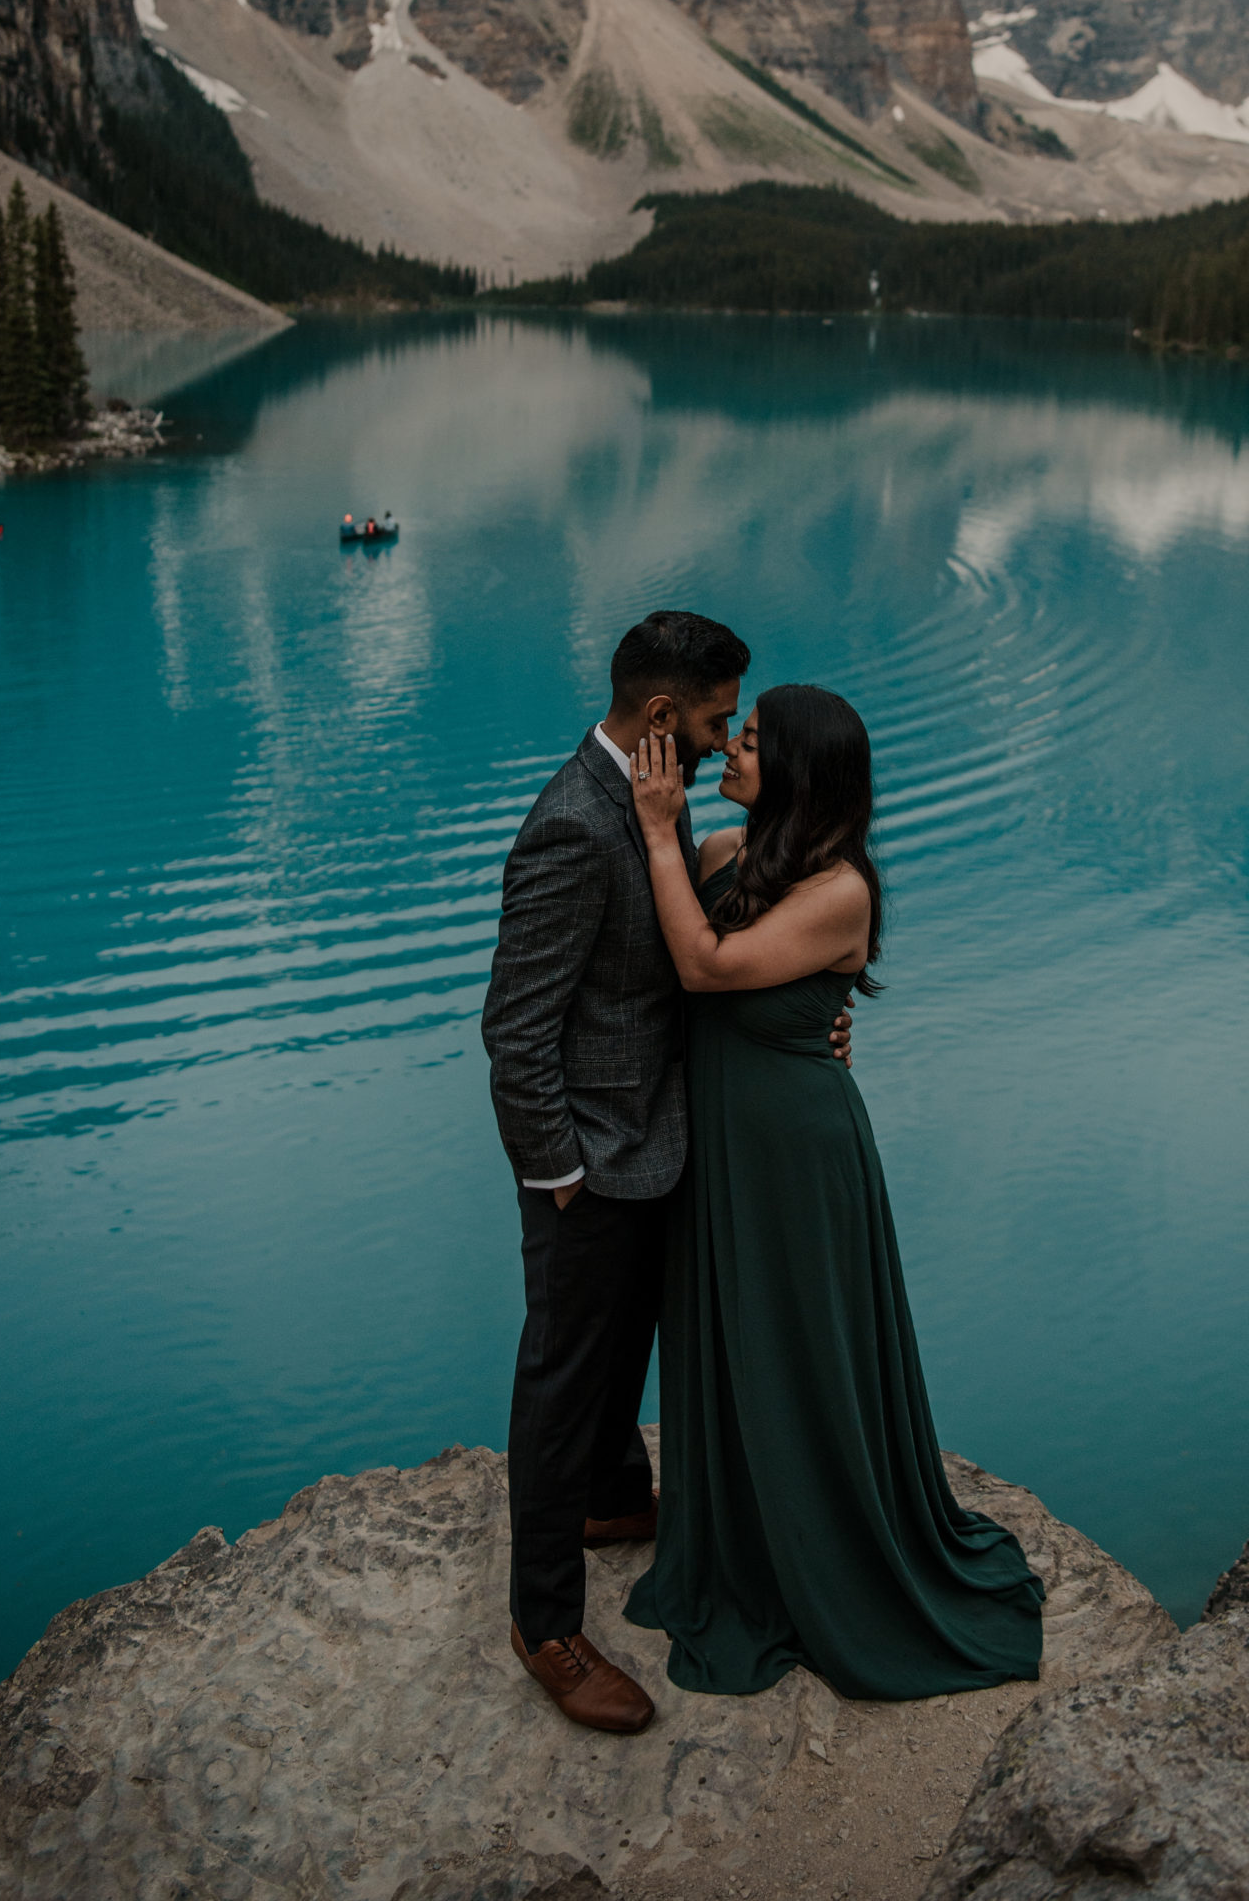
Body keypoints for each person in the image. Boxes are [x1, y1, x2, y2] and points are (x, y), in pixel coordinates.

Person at [623, 685, 1045, 1700]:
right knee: (731, 1336)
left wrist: (651, 830)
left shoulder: (841, 890)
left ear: (803, 772)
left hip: (797, 1158)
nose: (729, 748)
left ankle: (832, 1555)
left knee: (803, 1343)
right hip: (722, 1144)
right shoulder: (727, 857)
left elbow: (702, 962)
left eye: (753, 742)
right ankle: (743, 1531)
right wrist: (677, 840)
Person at [482, 613, 852, 1738]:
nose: (720, 738)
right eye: (710, 721)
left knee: (625, 1347)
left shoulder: (656, 804)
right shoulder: (572, 828)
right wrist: (557, 1176)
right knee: (561, 1379)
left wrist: (811, 1027)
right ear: (657, 718)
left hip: (662, 1143)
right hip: (588, 1165)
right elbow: (514, 1028)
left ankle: (607, 1499)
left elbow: (703, 969)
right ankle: (544, 1624)